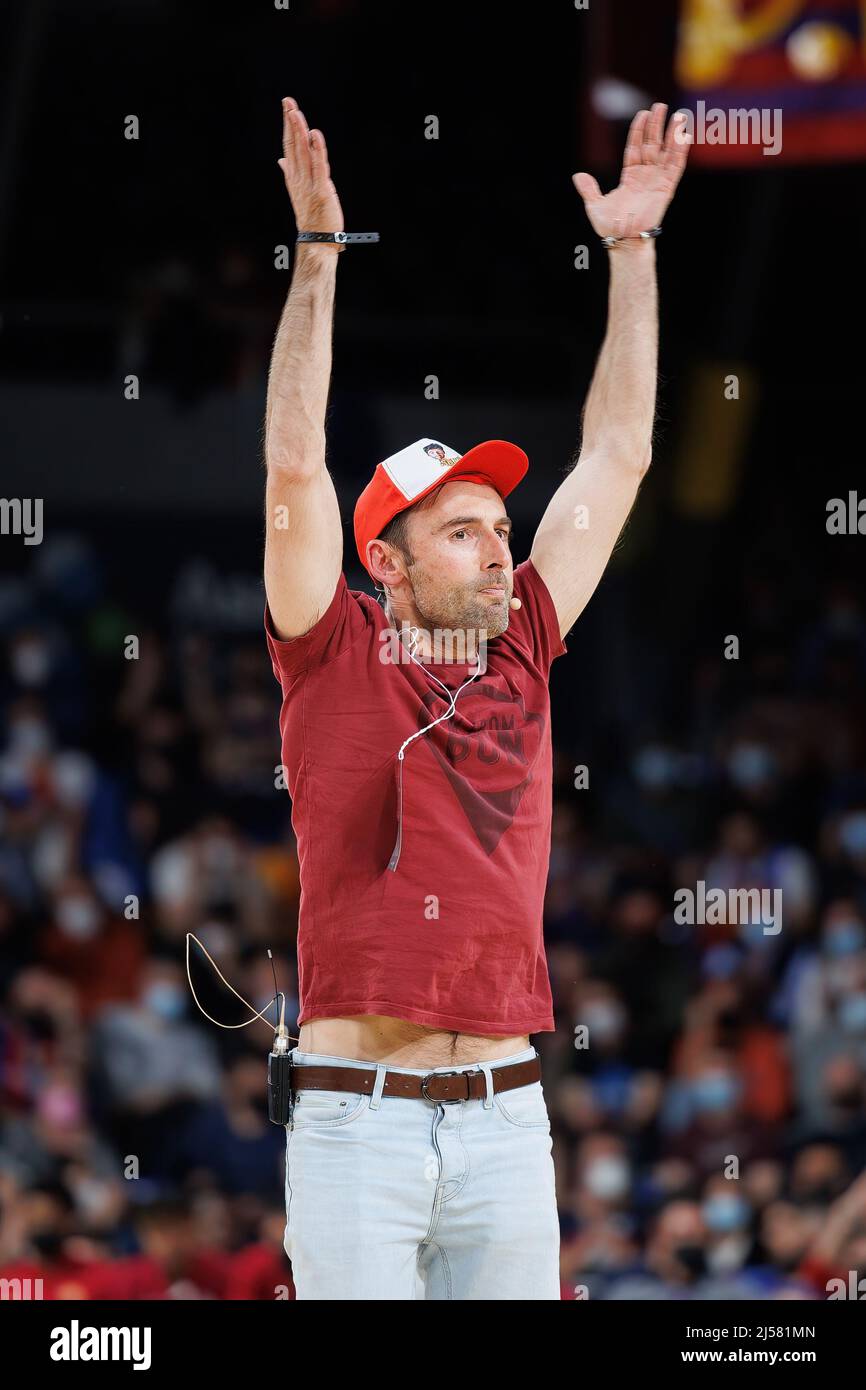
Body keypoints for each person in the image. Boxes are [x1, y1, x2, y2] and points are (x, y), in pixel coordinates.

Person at [263, 94, 690, 1300]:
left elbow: (616, 455)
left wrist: (632, 251)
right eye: (462, 531)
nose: (502, 550)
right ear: (386, 561)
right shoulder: (328, 641)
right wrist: (318, 254)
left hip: (508, 1118)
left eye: (502, 527)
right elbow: (294, 459)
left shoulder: (525, 640)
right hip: (361, 1123)